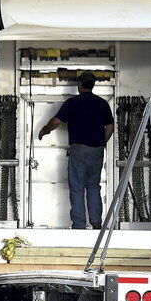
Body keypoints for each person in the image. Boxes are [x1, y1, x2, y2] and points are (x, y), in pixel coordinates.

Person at [37, 71, 115, 229]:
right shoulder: (102, 104)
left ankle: (79, 225)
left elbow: (55, 121)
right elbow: (110, 127)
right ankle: (96, 223)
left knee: (77, 187)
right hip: (97, 151)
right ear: (92, 85)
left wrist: (44, 130)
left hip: (78, 150)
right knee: (93, 186)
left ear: (79, 85)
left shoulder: (72, 103)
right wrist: (101, 143)